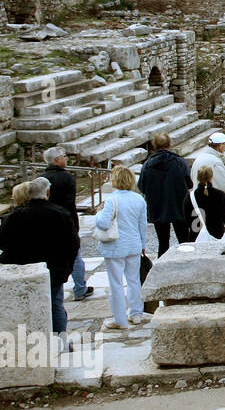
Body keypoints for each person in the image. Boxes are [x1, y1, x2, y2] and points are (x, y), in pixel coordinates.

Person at [0, 177, 79, 340]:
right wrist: (66, 269)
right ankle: (61, 342)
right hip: (54, 270)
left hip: (23, 270)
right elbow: (72, 244)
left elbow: (3, 242)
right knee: (55, 305)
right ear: (48, 192)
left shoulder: (14, 217)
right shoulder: (60, 214)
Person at [94, 165, 149, 329]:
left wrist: (98, 212)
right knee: (134, 281)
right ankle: (137, 313)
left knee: (116, 283)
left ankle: (120, 319)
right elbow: (143, 225)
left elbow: (103, 224)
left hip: (115, 245)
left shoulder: (111, 200)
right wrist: (143, 244)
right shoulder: (139, 199)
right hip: (134, 244)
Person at [41, 146, 92, 301]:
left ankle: (53, 288)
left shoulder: (42, 178)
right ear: (57, 160)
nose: (66, 158)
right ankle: (80, 288)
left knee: (52, 257)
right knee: (75, 256)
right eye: (64, 156)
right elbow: (69, 203)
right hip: (66, 222)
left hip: (48, 223)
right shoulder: (67, 178)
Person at [138, 132, 196, 255]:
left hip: (158, 208)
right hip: (179, 206)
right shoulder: (179, 162)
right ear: (169, 144)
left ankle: (162, 269)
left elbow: (141, 187)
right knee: (184, 240)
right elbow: (189, 184)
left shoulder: (148, 165)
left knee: (163, 242)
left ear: (154, 145)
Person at [191, 132, 225, 241]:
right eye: (224, 145)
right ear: (220, 146)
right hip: (215, 202)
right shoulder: (215, 161)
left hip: (200, 201)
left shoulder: (200, 158)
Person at [194, 165, 225, 242]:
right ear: (212, 177)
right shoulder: (221, 195)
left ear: (198, 178)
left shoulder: (191, 196)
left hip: (196, 235)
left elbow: (187, 218)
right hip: (218, 234)